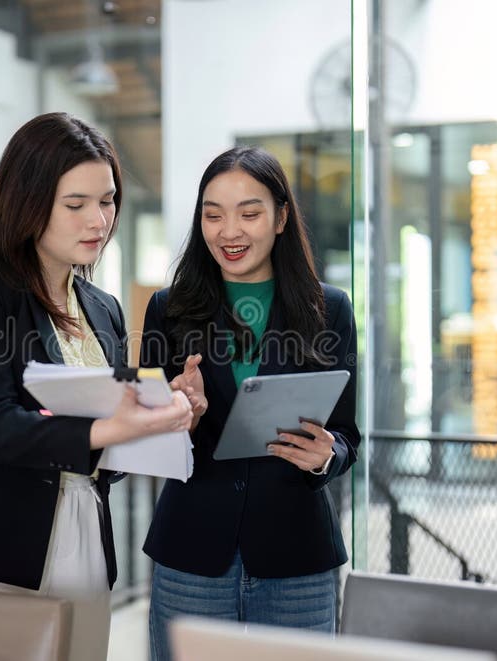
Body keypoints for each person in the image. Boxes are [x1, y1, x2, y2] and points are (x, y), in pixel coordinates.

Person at [0, 112, 192, 661]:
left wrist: (168, 413)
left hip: (84, 536)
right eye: (76, 204)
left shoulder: (104, 308)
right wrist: (107, 427)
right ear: (27, 200)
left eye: (108, 200)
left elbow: (108, 445)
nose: (98, 219)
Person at [140, 146, 360, 660]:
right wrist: (180, 419)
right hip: (191, 551)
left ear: (281, 217)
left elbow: (348, 435)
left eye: (249, 213)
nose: (228, 231)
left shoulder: (329, 309)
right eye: (212, 214)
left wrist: (326, 457)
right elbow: (143, 439)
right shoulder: (168, 309)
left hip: (297, 555)